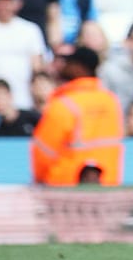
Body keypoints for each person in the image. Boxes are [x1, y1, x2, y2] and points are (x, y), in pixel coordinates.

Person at [31, 45, 125, 186]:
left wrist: (42, 181)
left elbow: (43, 153)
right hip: (107, 189)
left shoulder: (63, 105)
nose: (64, 67)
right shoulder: (111, 101)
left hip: (66, 189)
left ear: (79, 68)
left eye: (69, 63)